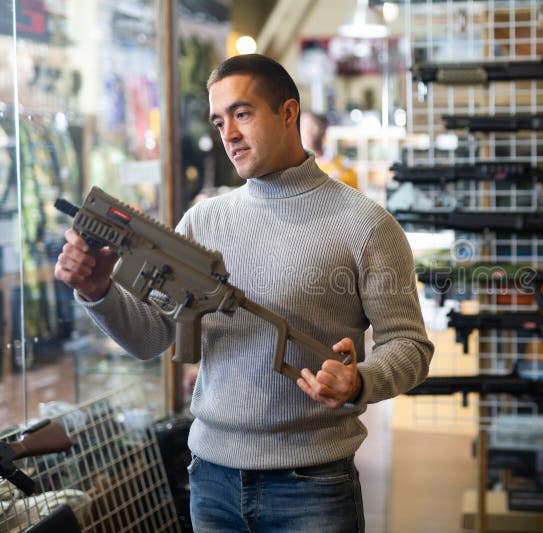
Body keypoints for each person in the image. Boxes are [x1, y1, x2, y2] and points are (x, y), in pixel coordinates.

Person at [54, 53, 434, 533]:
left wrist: (360, 380)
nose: (228, 134)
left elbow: (410, 346)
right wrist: (97, 291)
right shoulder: (202, 221)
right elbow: (153, 338)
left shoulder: (366, 225)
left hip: (312, 485)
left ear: (288, 112)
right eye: (218, 121)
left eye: (242, 113)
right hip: (211, 480)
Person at [299, 111, 359, 189]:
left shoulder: (342, 166)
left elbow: (355, 195)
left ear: (323, 129)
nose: (307, 131)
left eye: (311, 126)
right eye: (303, 126)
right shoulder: (296, 166)